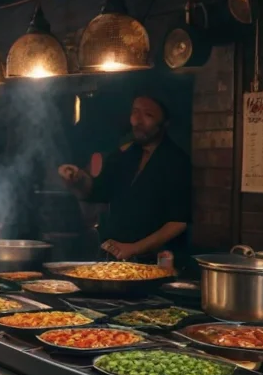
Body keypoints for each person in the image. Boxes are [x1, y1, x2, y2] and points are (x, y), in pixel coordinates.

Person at [58, 95, 191, 262]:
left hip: (158, 262)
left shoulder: (176, 161)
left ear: (165, 123)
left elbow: (178, 222)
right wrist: (77, 178)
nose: (138, 121)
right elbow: (97, 192)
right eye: (135, 112)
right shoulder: (123, 155)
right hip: (117, 260)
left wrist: (133, 248)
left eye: (148, 115)